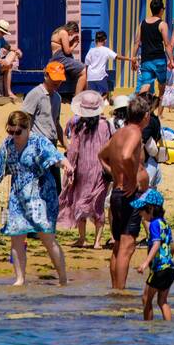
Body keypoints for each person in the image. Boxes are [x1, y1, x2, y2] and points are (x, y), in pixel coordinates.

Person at [0, 110, 68, 287]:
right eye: (11, 131)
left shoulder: (39, 142)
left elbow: (57, 157)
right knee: (17, 237)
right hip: (18, 196)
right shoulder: (7, 145)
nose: (14, 136)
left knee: (47, 238)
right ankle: (19, 279)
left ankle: (63, 278)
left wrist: (67, 165)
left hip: (41, 196)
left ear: (28, 129)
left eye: (18, 132)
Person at [101, 97, 152, 290]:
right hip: (130, 194)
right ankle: (120, 292)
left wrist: (116, 174)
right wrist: (131, 178)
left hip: (117, 193)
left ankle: (116, 290)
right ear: (146, 115)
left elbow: (102, 155)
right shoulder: (135, 133)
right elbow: (126, 155)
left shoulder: (120, 133)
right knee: (127, 245)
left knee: (118, 245)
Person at [58, 90, 113, 248]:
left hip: (81, 169)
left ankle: (82, 238)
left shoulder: (77, 124)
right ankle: (97, 241)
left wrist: (70, 168)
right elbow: (110, 146)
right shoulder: (105, 125)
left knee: (79, 202)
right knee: (98, 204)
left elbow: (73, 150)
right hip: (101, 170)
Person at [133, 189, 174, 320]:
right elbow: (173, 247)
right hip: (170, 268)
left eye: (141, 209)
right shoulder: (164, 223)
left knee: (146, 299)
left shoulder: (154, 224)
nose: (140, 213)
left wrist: (146, 263)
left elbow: (156, 244)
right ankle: (168, 328)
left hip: (159, 270)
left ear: (150, 209)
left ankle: (148, 329)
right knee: (162, 301)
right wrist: (167, 259)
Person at [132, 0, 173, 99]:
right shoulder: (162, 24)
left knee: (145, 84)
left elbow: (137, 42)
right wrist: (171, 60)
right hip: (159, 59)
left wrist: (133, 58)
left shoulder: (142, 23)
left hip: (146, 59)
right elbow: (167, 44)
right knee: (162, 86)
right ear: (161, 10)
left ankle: (141, 107)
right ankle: (159, 113)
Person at [22, 61, 67, 152]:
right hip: (37, 144)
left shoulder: (57, 97)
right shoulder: (35, 94)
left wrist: (67, 146)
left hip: (52, 142)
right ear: (46, 76)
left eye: (59, 80)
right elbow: (24, 120)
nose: (57, 82)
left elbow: (56, 123)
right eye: (55, 79)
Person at [49, 21, 84, 93]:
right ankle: (77, 98)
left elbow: (61, 46)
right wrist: (74, 44)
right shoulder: (64, 33)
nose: (71, 35)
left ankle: (80, 94)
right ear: (71, 29)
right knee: (84, 70)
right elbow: (67, 51)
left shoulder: (58, 31)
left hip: (58, 57)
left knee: (79, 70)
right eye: (73, 33)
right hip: (60, 58)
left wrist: (71, 42)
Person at [80, 30, 117, 97]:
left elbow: (87, 65)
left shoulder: (91, 51)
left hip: (91, 77)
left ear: (95, 40)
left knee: (92, 95)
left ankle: (94, 104)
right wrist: (130, 59)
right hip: (100, 76)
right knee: (105, 93)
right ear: (105, 40)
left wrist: (87, 78)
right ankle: (100, 102)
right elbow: (117, 57)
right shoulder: (106, 50)